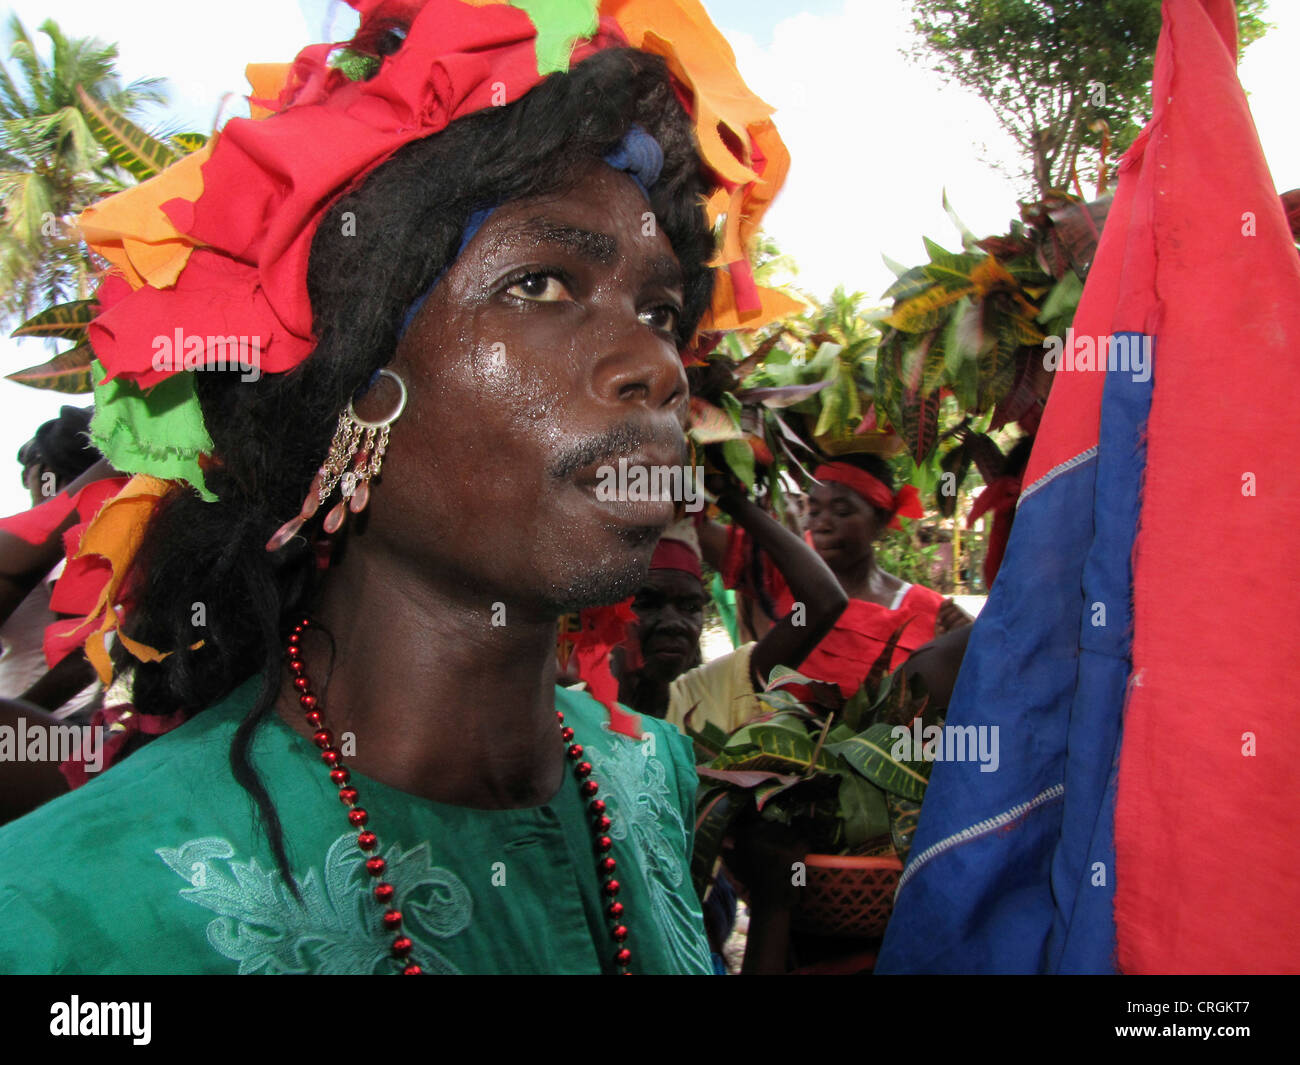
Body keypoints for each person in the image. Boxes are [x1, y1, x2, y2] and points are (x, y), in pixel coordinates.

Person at [0, 0, 791, 975]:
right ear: (350, 391)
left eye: (662, 310)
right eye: (539, 285)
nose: (656, 366)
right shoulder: (68, 919)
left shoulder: (654, 778)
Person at [715, 452, 971, 699]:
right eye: (814, 512)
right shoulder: (783, 575)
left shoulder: (932, 613)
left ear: (881, 518)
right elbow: (695, 529)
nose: (823, 525)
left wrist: (970, 640)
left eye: (842, 512)